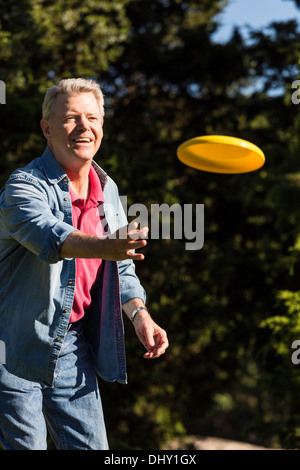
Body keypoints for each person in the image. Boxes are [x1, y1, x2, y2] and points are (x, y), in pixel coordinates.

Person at [0, 78, 169, 450]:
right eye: (71, 118)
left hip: (72, 346)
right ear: (47, 128)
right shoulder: (23, 187)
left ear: (102, 126)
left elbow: (122, 266)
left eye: (92, 118)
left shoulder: (107, 189)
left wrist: (141, 315)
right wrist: (107, 246)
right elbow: (50, 237)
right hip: (13, 346)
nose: (84, 127)